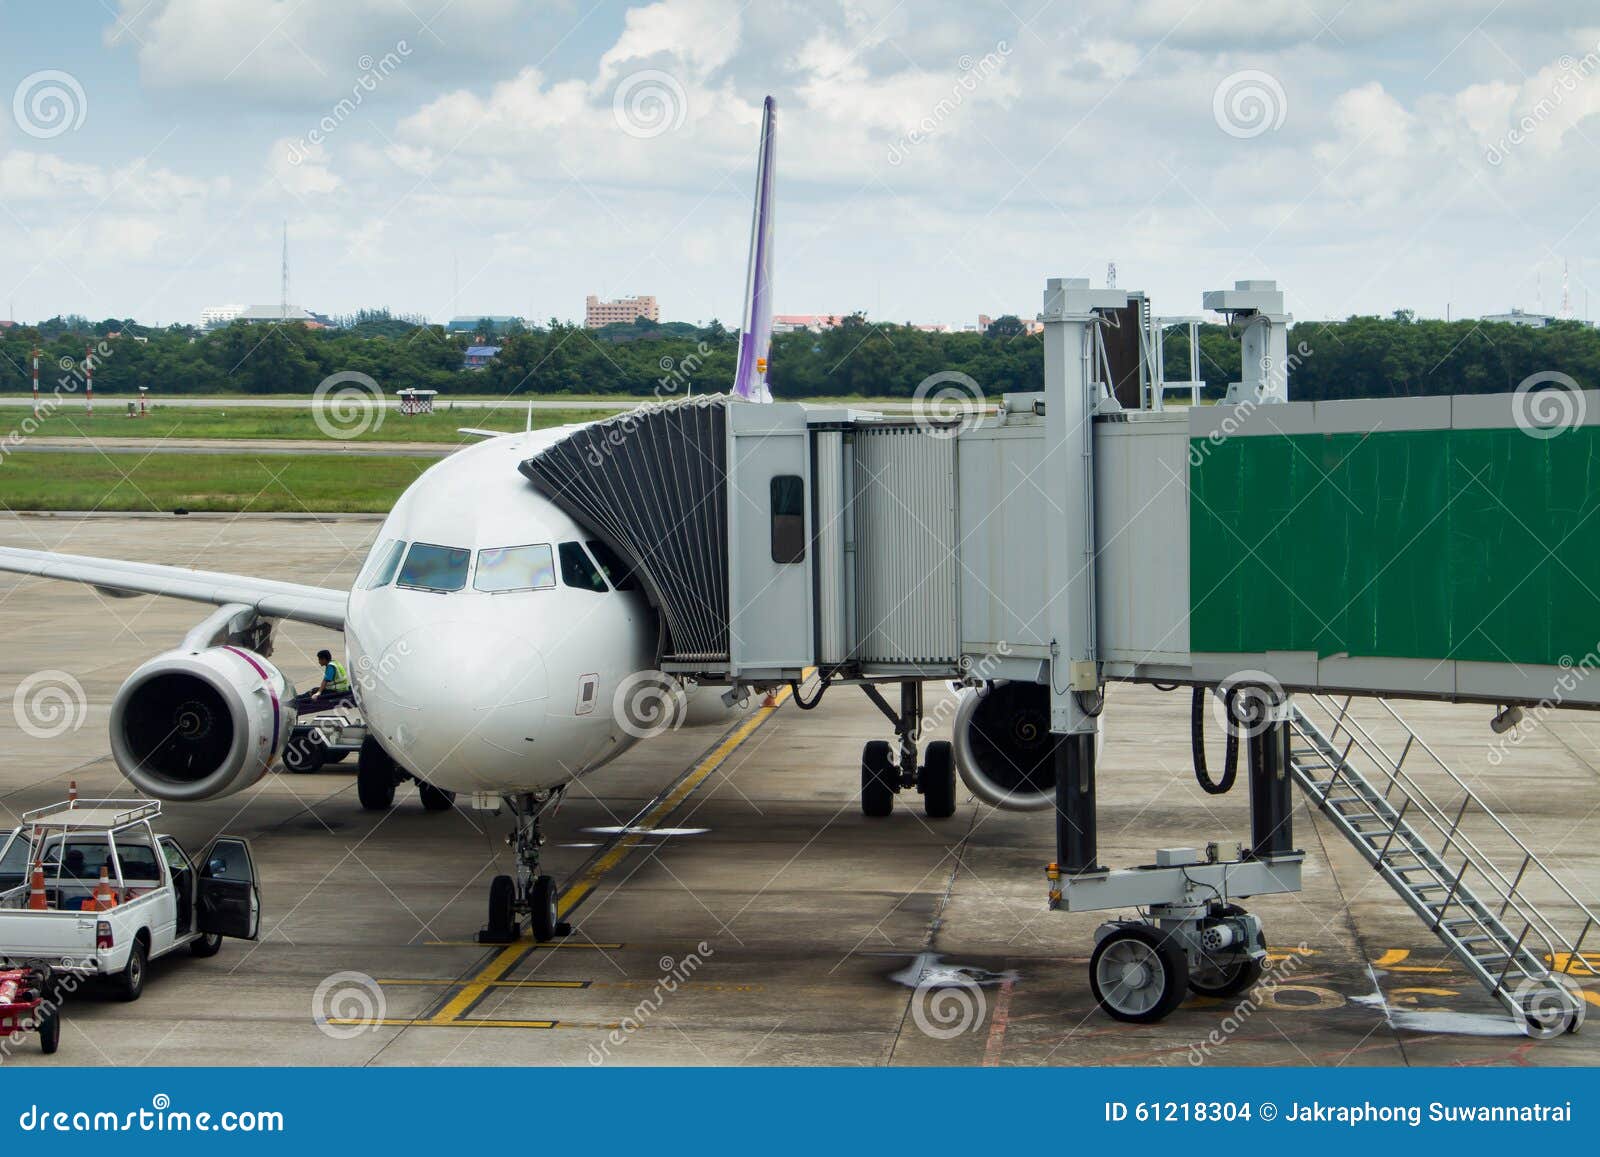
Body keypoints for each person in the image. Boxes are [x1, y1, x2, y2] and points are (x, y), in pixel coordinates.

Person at [294, 648, 355, 714]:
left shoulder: (331, 667)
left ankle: (294, 702)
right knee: (314, 690)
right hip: (342, 689)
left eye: (319, 659)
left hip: (335, 691)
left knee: (312, 693)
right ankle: (295, 699)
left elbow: (325, 680)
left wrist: (318, 693)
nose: (319, 662)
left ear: (324, 659)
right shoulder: (336, 663)